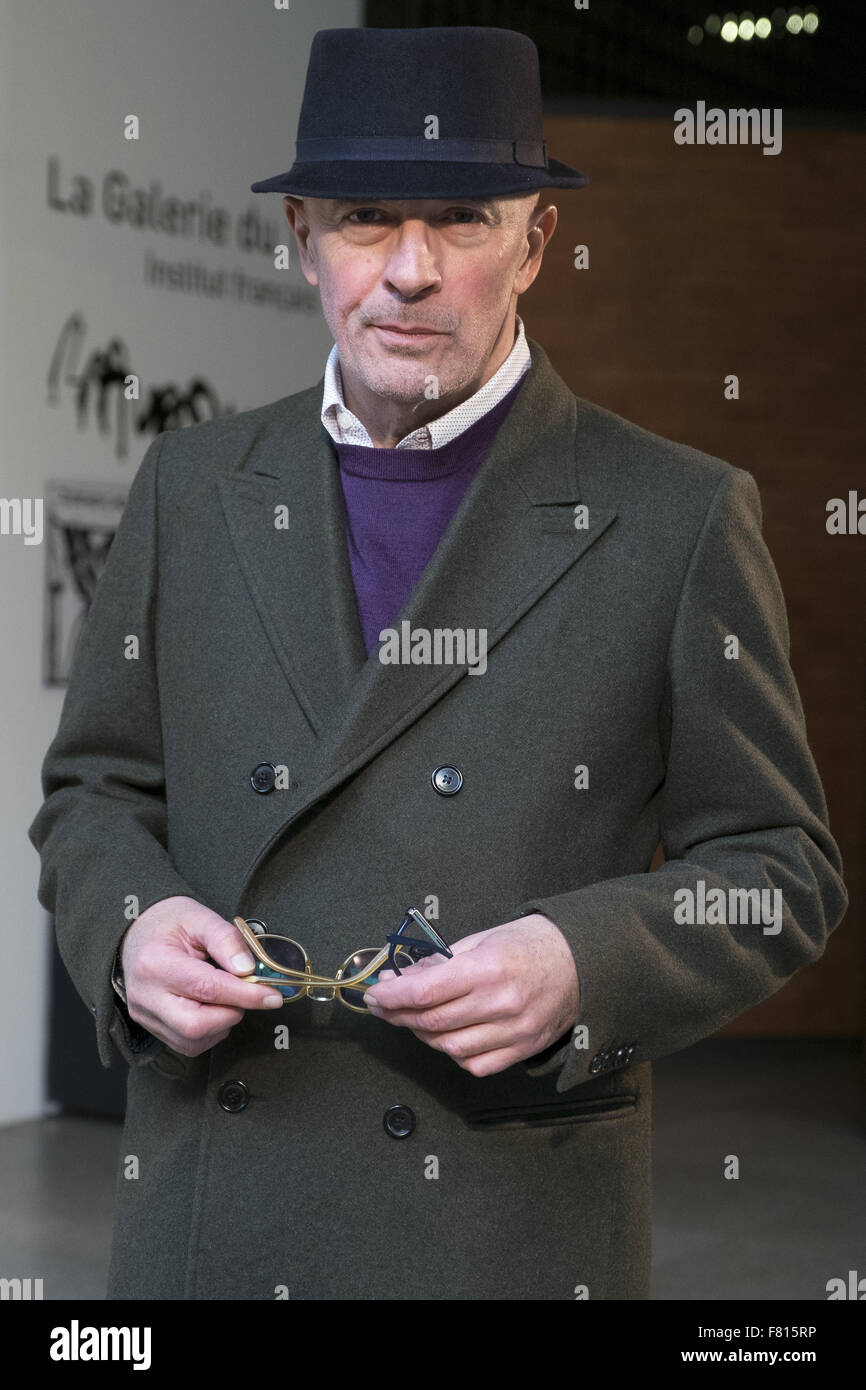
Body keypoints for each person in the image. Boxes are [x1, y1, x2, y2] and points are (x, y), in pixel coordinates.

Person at [28, 25, 847, 1301]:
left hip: (499, 1228)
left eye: (460, 217)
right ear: (301, 237)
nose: (408, 271)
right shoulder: (191, 488)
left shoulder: (675, 515)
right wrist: (128, 928)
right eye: (365, 218)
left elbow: (779, 868)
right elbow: (91, 794)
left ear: (531, 246)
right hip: (215, 1219)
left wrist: (586, 961)